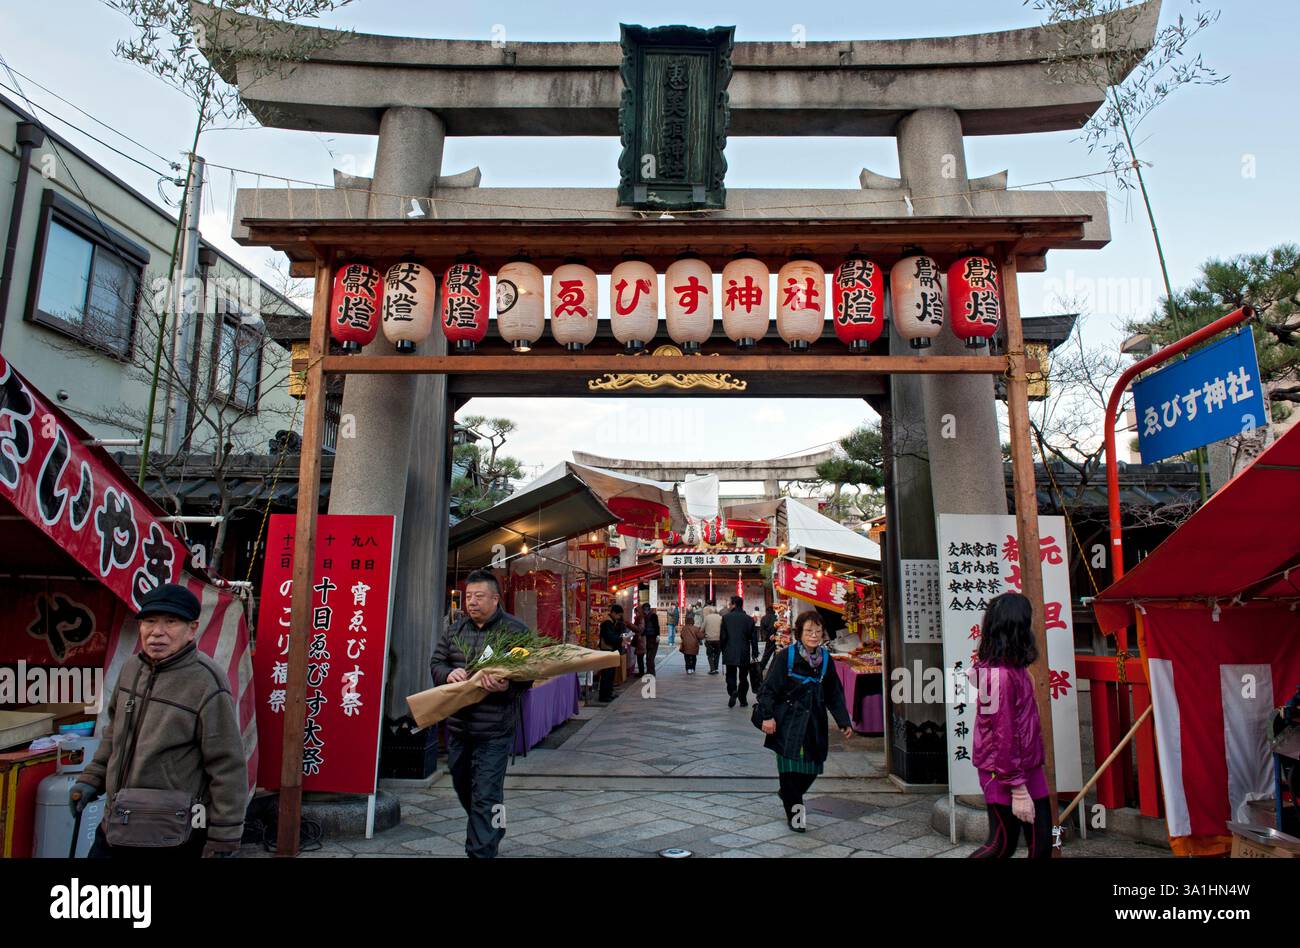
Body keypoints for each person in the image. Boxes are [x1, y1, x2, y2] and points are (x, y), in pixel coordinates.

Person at [72, 583, 247, 859]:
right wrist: (92, 777)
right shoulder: (131, 669)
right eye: (149, 621)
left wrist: (224, 835)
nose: (157, 632)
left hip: (172, 831)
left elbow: (227, 765)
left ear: (192, 629)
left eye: (171, 622)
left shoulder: (207, 682)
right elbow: (114, 732)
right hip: (119, 821)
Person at [430, 569, 533, 859]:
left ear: (496, 599)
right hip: (460, 726)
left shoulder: (515, 631)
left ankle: (480, 851)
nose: (471, 602)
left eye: (478, 596)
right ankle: (492, 826)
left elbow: (527, 677)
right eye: (468, 597)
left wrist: (506, 685)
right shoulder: (455, 630)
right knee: (463, 786)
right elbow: (436, 662)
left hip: (495, 730)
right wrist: (448, 674)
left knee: (485, 793)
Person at [968, 592, 1051, 859]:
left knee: (1041, 845)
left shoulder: (1007, 668)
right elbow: (1004, 736)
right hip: (1005, 771)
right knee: (1000, 846)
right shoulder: (1001, 676)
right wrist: (1018, 790)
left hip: (1025, 765)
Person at [756, 610, 852, 832]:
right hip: (788, 725)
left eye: (818, 631)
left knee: (812, 769)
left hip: (814, 724)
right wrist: (767, 716)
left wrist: (843, 720)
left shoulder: (825, 660)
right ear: (799, 632)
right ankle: (796, 818)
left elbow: (834, 693)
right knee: (790, 773)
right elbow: (767, 690)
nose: (814, 635)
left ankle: (788, 794)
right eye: (809, 630)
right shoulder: (786, 657)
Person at [720, 595, 759, 708]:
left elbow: (723, 637)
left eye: (730, 604)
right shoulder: (748, 619)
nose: (729, 606)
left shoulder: (726, 618)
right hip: (744, 651)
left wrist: (723, 649)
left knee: (730, 675)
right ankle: (743, 699)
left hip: (730, 650)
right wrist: (755, 652)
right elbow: (753, 638)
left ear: (734, 605)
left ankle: (733, 691)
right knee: (743, 677)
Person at [597, 603, 627, 702]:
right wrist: (620, 638)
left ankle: (608, 693)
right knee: (607, 674)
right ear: (613, 613)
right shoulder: (607, 622)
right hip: (607, 650)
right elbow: (609, 637)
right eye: (618, 615)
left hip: (611, 650)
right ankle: (604, 696)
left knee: (610, 674)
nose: (619, 617)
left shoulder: (612, 621)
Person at [701, 604, 723, 675]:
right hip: (718, 639)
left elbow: (702, 629)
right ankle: (716, 668)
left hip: (709, 639)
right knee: (717, 654)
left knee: (710, 654)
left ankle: (712, 669)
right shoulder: (720, 618)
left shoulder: (707, 618)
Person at [640, 603, 661, 675]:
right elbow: (645, 628)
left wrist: (658, 635)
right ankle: (649, 671)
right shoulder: (646, 616)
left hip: (653, 638)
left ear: (646, 609)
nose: (643, 611)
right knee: (648, 656)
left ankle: (651, 673)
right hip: (648, 638)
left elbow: (656, 626)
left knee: (650, 657)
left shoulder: (653, 616)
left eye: (643, 609)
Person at [758, 604, 779, 672]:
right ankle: (774, 669)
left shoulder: (764, 618)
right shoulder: (777, 617)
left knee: (766, 656)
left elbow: (762, 630)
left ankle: (760, 669)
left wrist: (767, 637)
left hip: (769, 640)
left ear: (766, 611)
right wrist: (775, 635)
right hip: (777, 639)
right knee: (777, 656)